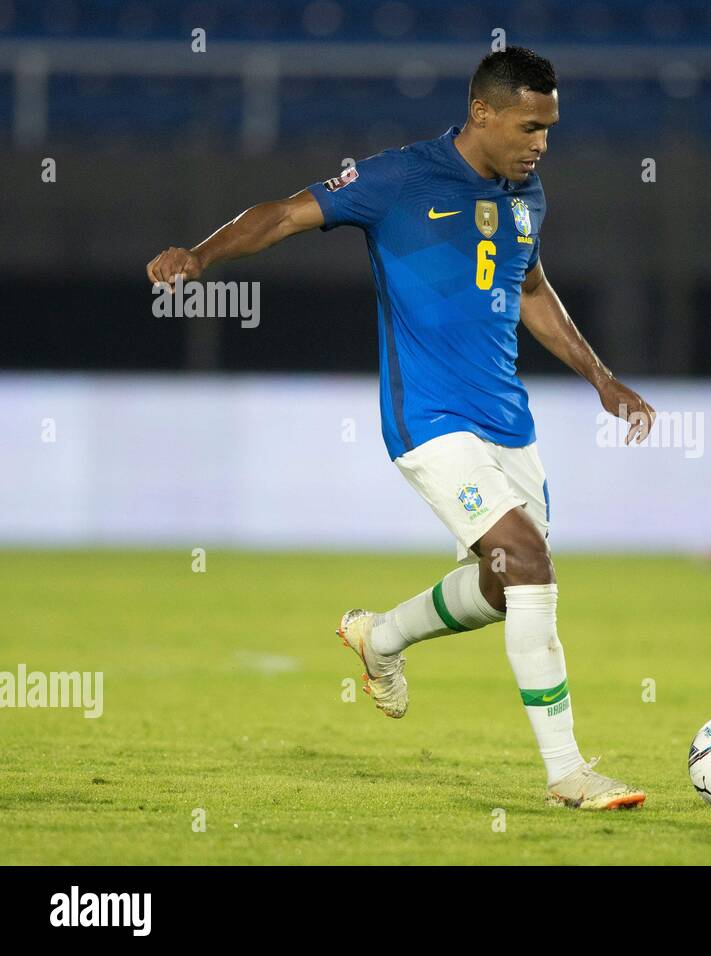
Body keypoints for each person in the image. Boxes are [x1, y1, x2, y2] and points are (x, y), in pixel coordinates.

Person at [146, 47, 653, 810]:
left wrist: (601, 377)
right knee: (528, 561)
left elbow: (533, 288)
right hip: (428, 416)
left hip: (506, 422)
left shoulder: (527, 196)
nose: (542, 143)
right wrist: (202, 254)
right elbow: (284, 214)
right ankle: (567, 774)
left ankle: (382, 637)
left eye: (549, 129)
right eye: (530, 126)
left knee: (502, 583)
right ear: (482, 112)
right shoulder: (398, 178)